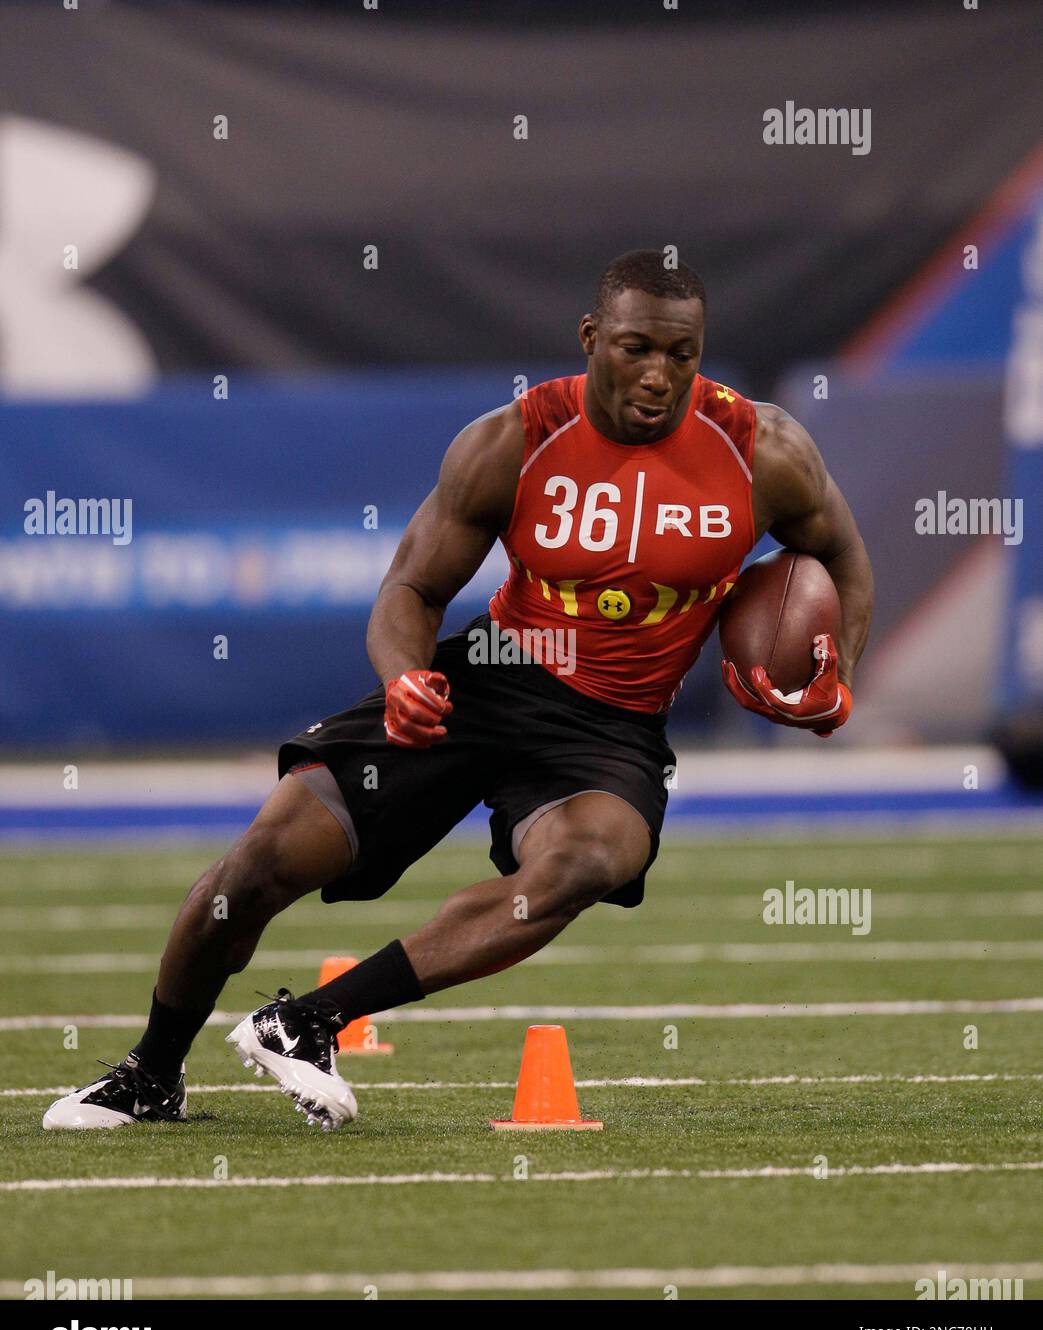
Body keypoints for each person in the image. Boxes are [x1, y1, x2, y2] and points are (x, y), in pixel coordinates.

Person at [44, 250, 873, 1132]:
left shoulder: (761, 450)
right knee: (258, 866)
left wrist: (836, 677)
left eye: (683, 354)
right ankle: (150, 1075)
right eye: (636, 348)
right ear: (591, 338)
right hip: (487, 678)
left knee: (590, 862)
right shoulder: (513, 440)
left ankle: (308, 1022)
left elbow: (844, 559)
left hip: (612, 729)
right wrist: (403, 678)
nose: (660, 376)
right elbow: (408, 590)